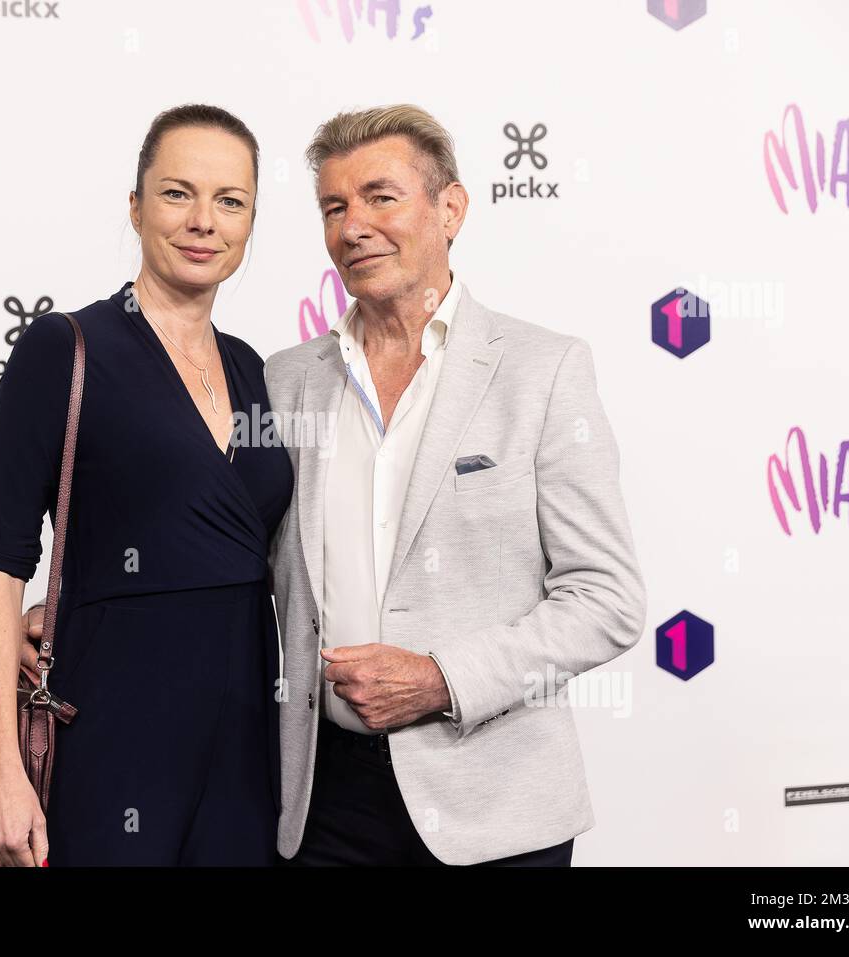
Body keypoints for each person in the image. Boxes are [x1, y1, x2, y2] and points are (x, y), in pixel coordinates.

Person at [262, 104, 647, 866]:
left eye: (380, 196)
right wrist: (76, 607)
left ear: (451, 209)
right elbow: (231, 558)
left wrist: (441, 679)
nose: (353, 226)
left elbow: (606, 597)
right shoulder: (284, 383)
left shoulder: (544, 369)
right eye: (333, 207)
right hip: (323, 806)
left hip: (498, 806)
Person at [0, 104, 293, 866]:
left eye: (231, 200)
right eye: (178, 193)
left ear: (251, 220)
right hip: (113, 737)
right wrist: (1, 769)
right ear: (137, 205)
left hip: (247, 743)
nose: (203, 221)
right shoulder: (65, 348)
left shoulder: (256, 369)